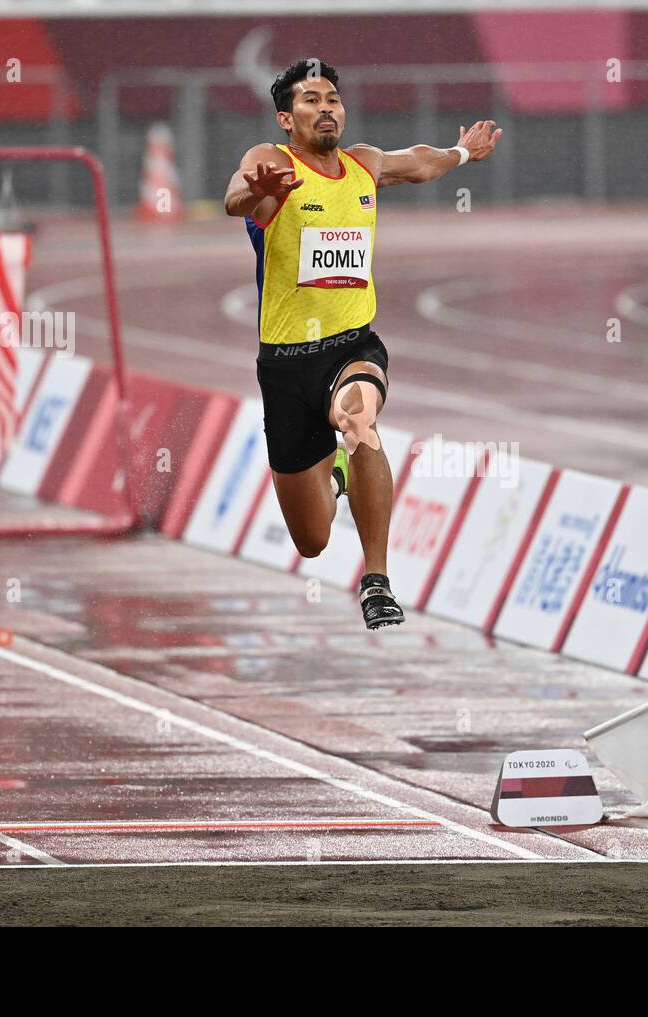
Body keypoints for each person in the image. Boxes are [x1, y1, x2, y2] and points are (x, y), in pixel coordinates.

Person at [223, 58, 502, 629]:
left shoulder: (363, 165)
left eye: (333, 99)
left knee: (358, 418)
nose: (326, 107)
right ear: (285, 117)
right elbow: (235, 198)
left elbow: (419, 164)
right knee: (312, 540)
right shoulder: (270, 162)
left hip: (353, 346)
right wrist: (255, 194)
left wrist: (463, 154)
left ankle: (376, 581)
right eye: (310, 100)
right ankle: (338, 476)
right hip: (285, 366)